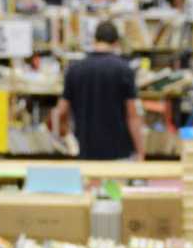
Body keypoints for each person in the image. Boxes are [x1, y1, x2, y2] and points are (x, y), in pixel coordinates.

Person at [55, 21, 142, 161]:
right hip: (119, 151)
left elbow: (61, 111)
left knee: (89, 183)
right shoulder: (124, 70)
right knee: (116, 184)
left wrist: (66, 139)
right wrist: (140, 151)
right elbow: (132, 115)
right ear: (116, 43)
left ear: (95, 39)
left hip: (84, 150)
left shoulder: (74, 70)